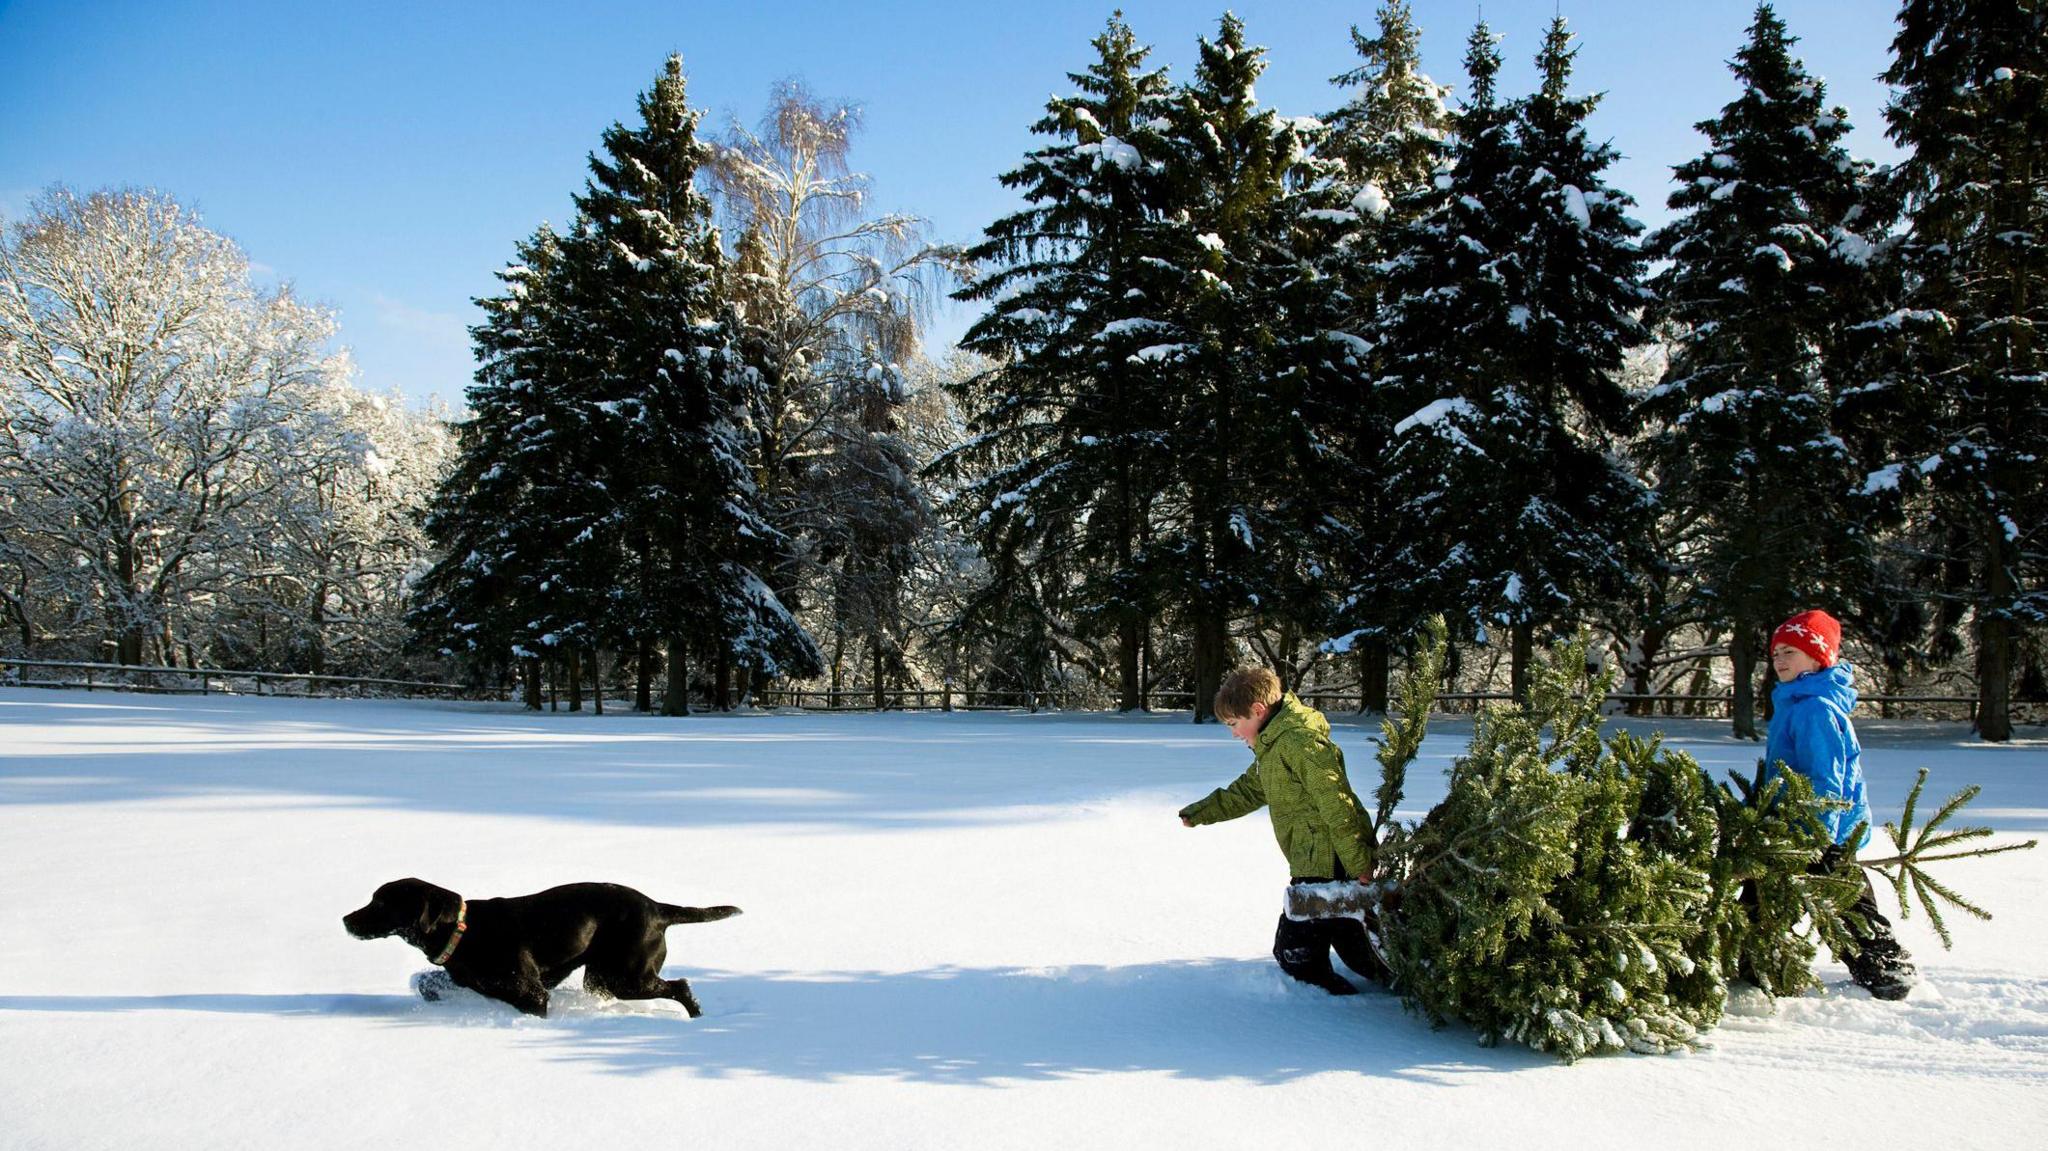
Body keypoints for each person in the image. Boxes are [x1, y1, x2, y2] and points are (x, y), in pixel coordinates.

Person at [1178, 665, 1385, 996]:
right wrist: (1201, 812)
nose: (1233, 733)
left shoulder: (1299, 743)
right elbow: (1249, 790)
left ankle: (1329, 1007)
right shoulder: (1272, 747)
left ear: (1258, 711)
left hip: (1327, 859)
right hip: (1313, 857)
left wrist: (1358, 859)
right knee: (1352, 942)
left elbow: (1337, 802)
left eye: (1234, 724)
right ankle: (1392, 977)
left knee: (1295, 953)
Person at [1765, 609, 1918, 1000]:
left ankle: (1888, 972)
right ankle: (1760, 965)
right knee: (1773, 896)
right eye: (1776, 653)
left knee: (1847, 902)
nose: (1780, 661)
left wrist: (1819, 833)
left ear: (1817, 657)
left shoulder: (1815, 708)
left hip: (1821, 830)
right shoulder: (1797, 702)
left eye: (1790, 652)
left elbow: (1826, 779)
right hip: (1798, 825)